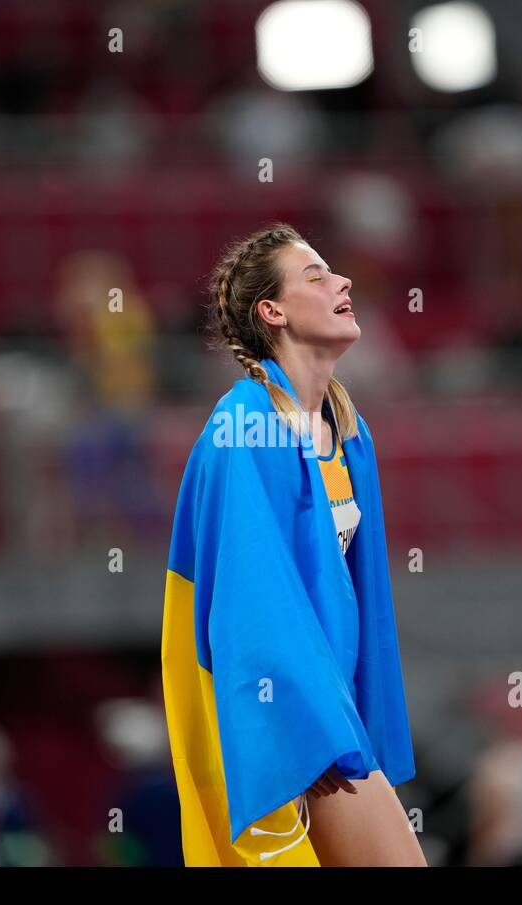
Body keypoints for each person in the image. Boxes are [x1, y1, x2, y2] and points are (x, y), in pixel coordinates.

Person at [159, 223, 424, 866]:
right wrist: (308, 725)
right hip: (273, 714)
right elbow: (251, 600)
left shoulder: (347, 431)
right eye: (316, 275)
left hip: (323, 714)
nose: (344, 281)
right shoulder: (244, 426)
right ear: (271, 312)